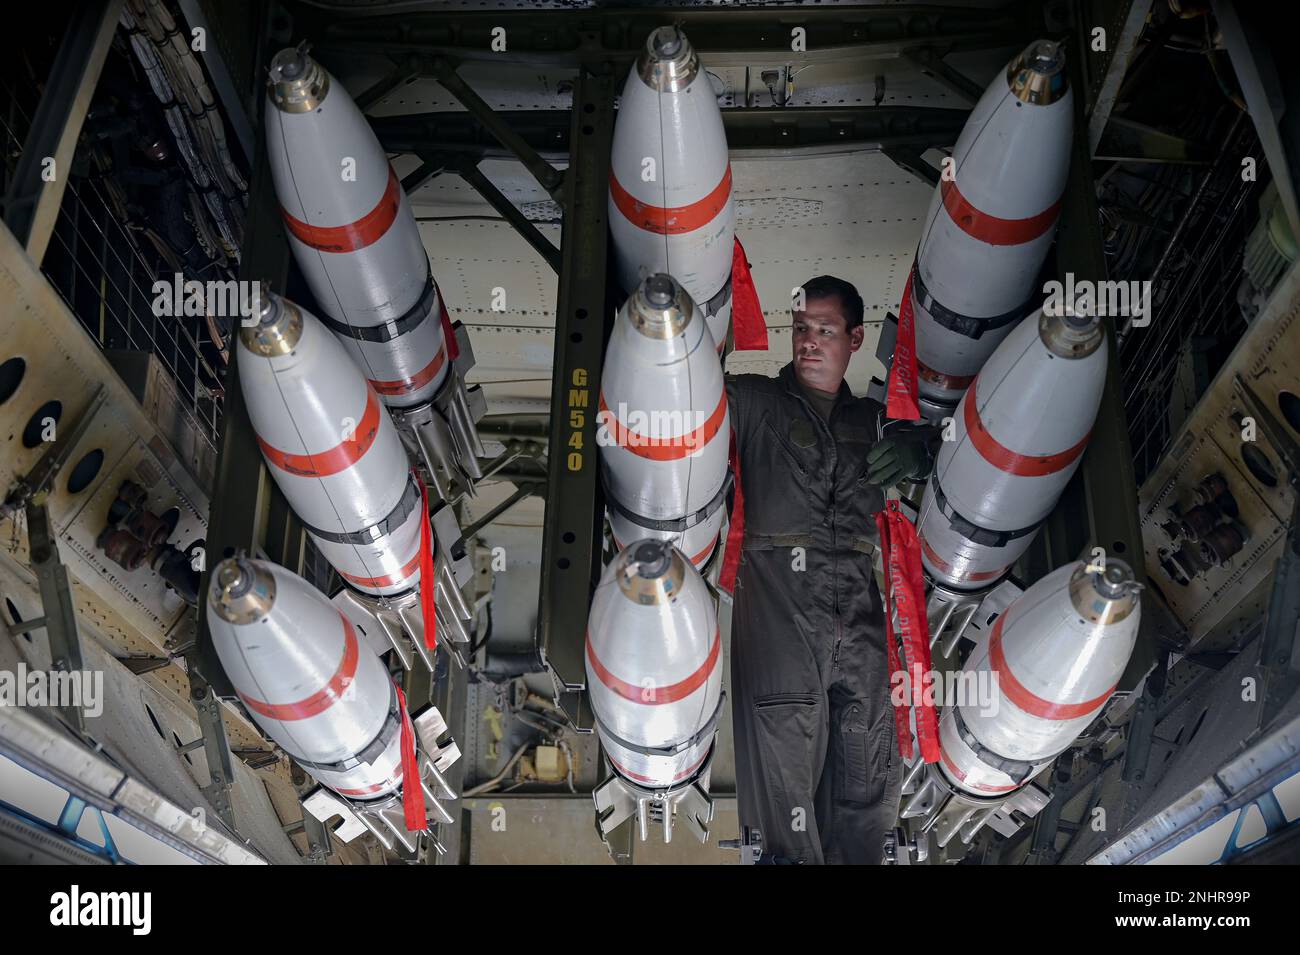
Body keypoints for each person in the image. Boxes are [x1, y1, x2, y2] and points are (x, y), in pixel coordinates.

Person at [723, 275, 933, 864]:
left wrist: (926, 450)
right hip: (779, 609)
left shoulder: (872, 424)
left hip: (858, 612)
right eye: (800, 329)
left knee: (870, 775)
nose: (808, 342)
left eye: (824, 330)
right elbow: (691, 405)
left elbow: (945, 454)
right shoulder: (754, 403)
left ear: (855, 337)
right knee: (787, 778)